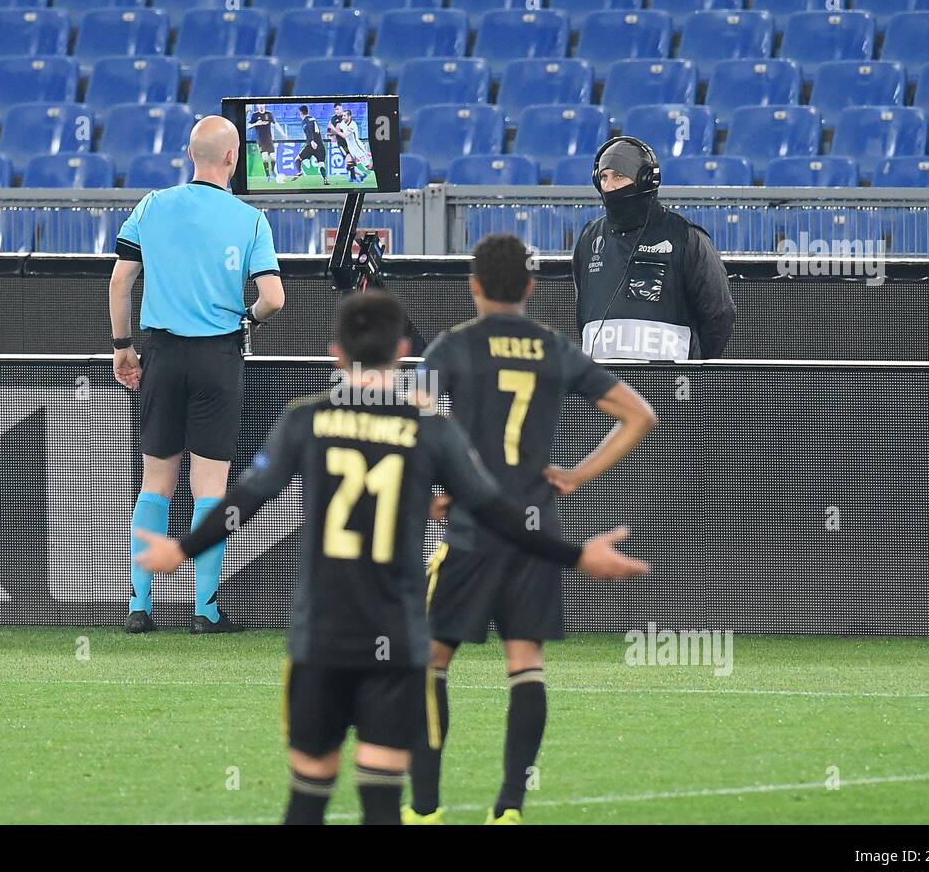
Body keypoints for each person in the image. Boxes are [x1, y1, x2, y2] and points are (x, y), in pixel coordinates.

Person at [134, 292, 651, 825]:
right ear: (402, 349)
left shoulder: (307, 420)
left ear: (337, 355)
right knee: (381, 801)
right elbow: (499, 513)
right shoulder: (431, 430)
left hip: (321, 641)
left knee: (307, 797)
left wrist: (182, 548)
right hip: (396, 646)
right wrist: (574, 556)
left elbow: (246, 498)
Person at [405, 233, 658, 825]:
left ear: (473, 285)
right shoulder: (554, 349)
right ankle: (510, 808)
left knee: (429, 663)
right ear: (530, 286)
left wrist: (434, 494)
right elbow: (639, 414)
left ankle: (424, 808)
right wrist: (574, 477)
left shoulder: (451, 348)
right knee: (525, 664)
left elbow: (413, 430)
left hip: (470, 531)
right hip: (535, 525)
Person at [109, 115, 285, 634]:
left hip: (160, 353)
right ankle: (205, 611)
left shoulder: (152, 205)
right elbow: (273, 298)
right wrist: (244, 321)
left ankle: (140, 607)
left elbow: (120, 282)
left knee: (155, 482)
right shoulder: (250, 220)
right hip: (219, 357)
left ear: (191, 155)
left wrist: (122, 347)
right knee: (210, 486)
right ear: (233, 158)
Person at [573, 136, 737, 361]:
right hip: (604, 388)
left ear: (646, 180)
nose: (609, 187)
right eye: (603, 177)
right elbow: (584, 315)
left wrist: (692, 368)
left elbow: (719, 315)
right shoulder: (589, 239)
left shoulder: (686, 237)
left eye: (619, 176)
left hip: (668, 388)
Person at [290, 104, 330, 185]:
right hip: (320, 144)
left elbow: (309, 130)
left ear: (301, 113)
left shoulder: (305, 121)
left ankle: (299, 172)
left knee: (297, 159)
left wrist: (311, 141)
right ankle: (325, 179)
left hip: (311, 145)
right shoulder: (313, 119)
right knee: (321, 164)